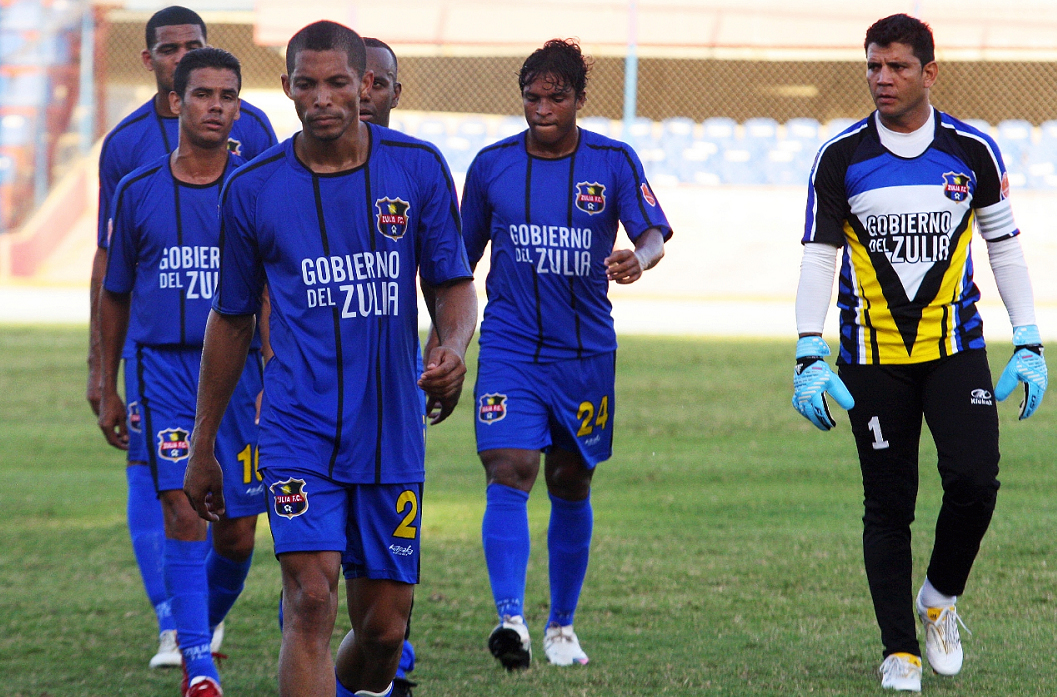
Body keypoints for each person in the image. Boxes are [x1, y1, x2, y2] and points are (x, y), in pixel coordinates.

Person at [183, 21, 477, 697]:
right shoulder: (252, 188)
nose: (321, 98)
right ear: (286, 88)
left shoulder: (417, 166)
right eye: (306, 84)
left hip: (390, 428)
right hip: (294, 427)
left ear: (366, 85)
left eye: (337, 82)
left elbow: (453, 286)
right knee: (310, 599)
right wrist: (204, 443)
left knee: (382, 632)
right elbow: (229, 321)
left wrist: (452, 347)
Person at [792, 13, 1048, 692]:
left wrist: (1027, 338)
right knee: (888, 501)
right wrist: (806, 351)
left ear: (928, 72)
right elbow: (818, 255)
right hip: (870, 358)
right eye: (872, 65)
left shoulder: (971, 152)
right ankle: (898, 649)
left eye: (896, 66)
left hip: (954, 347)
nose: (881, 78)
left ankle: (938, 598)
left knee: (973, 480)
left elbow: (1004, 246)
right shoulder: (839, 157)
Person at [460, 39, 670, 670]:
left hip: (584, 353)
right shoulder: (491, 166)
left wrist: (641, 257)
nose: (543, 107)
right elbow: (455, 264)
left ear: (579, 99)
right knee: (511, 467)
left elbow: (654, 234)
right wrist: (448, 340)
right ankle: (511, 622)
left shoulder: (612, 160)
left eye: (556, 97)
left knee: (570, 479)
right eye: (532, 96)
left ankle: (561, 626)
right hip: (509, 345)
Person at [86, 5, 277, 668]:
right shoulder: (128, 158)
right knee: (174, 499)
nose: (215, 107)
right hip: (161, 362)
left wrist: (277, 367)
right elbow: (110, 269)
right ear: (168, 87)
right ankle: (189, 648)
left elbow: (275, 273)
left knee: (237, 527)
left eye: (227, 95)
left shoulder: (258, 155)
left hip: (246, 365)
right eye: (200, 91)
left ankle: (202, 618)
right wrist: (100, 374)